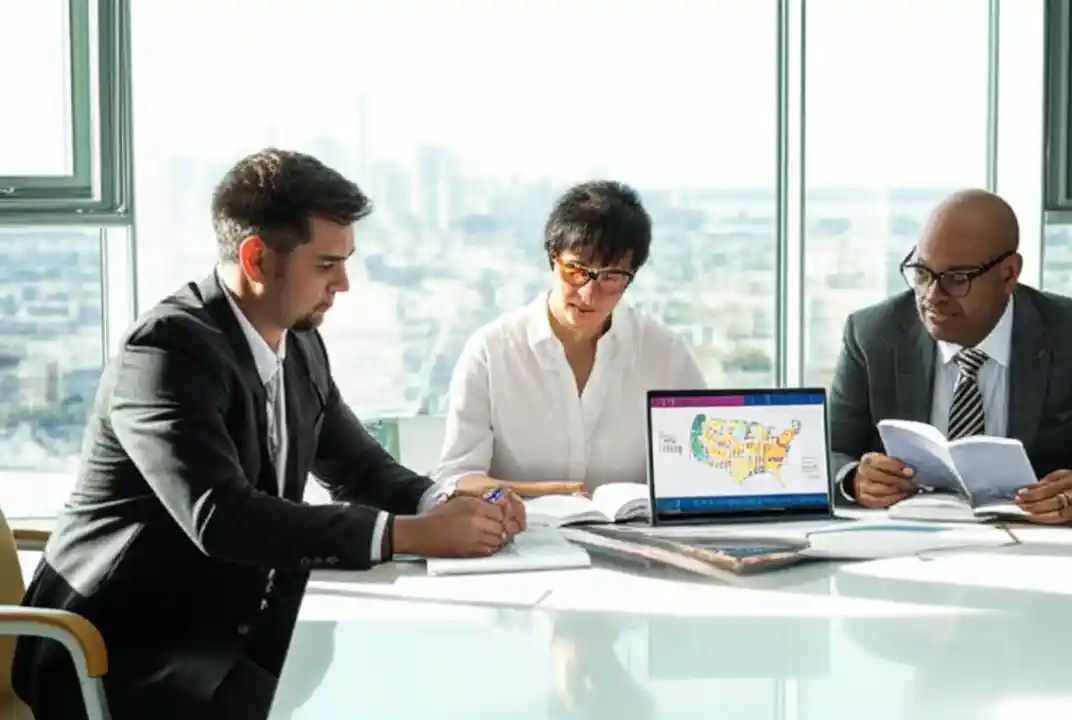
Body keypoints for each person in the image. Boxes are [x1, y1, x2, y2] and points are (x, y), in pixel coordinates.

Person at [13, 148, 526, 719]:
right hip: (131, 654)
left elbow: (356, 467)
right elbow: (221, 516)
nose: (345, 284)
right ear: (257, 259)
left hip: (241, 639)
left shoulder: (300, 340)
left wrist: (448, 501)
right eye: (327, 265)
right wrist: (411, 535)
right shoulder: (165, 352)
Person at [828, 189, 1072, 522]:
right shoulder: (873, 334)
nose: (932, 296)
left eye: (956, 278)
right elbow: (828, 454)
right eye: (922, 273)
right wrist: (853, 479)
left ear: (1008, 274)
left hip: (1037, 545)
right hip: (908, 542)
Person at [435, 180, 706, 497]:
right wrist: (547, 493)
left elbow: (700, 470)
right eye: (576, 270)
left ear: (632, 276)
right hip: (520, 538)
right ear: (552, 257)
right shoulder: (491, 351)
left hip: (637, 540)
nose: (589, 293)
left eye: (612, 277)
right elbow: (455, 479)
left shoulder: (665, 354)